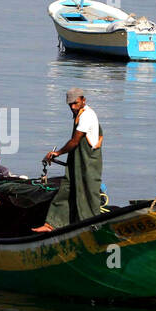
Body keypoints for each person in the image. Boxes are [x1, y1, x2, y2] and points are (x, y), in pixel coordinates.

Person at [34, 88, 103, 232]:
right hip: (77, 160)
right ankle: (52, 224)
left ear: (83, 100)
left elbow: (75, 142)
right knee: (66, 189)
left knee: (89, 192)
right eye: (70, 104)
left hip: (88, 162)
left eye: (75, 103)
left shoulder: (87, 116)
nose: (72, 107)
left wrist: (57, 153)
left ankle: (94, 226)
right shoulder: (79, 114)